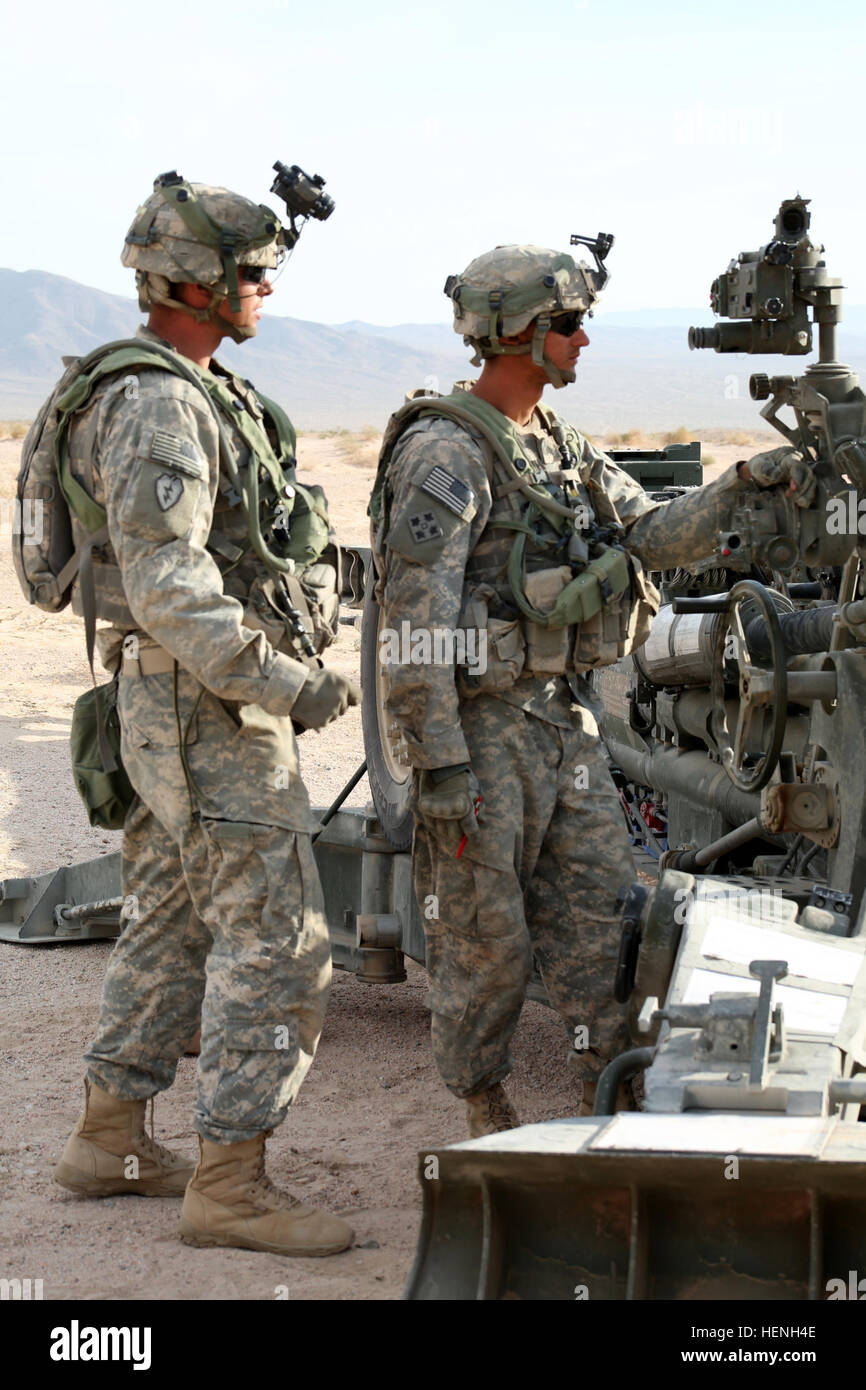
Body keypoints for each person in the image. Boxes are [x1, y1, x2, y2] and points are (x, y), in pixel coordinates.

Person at [370, 242, 815, 1136]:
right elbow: (408, 629)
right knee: (483, 941)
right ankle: (482, 1107)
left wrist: (737, 487)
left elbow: (650, 535)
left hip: (562, 725)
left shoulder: (559, 449)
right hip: (481, 732)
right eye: (567, 325)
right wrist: (439, 766)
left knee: (603, 921)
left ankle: (604, 1084)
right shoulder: (446, 455)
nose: (582, 340)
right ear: (514, 335)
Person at [54, 173, 360, 1257]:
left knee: (171, 919)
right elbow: (173, 587)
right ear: (197, 280)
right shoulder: (157, 403)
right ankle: (231, 1183)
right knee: (277, 943)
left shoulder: (190, 387)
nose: (267, 288)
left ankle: (110, 1140)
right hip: (206, 705)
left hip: (168, 700)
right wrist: (287, 681)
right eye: (253, 271)